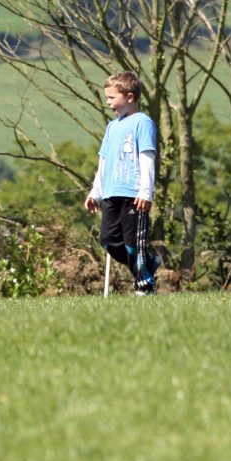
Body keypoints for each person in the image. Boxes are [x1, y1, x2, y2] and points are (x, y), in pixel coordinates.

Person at [84, 71, 159, 294]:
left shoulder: (143, 123)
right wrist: (95, 192)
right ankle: (150, 262)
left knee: (131, 245)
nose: (108, 103)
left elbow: (147, 158)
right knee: (108, 240)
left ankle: (144, 286)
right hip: (110, 193)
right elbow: (103, 162)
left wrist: (146, 192)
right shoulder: (111, 127)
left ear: (129, 96)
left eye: (111, 98)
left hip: (133, 194)